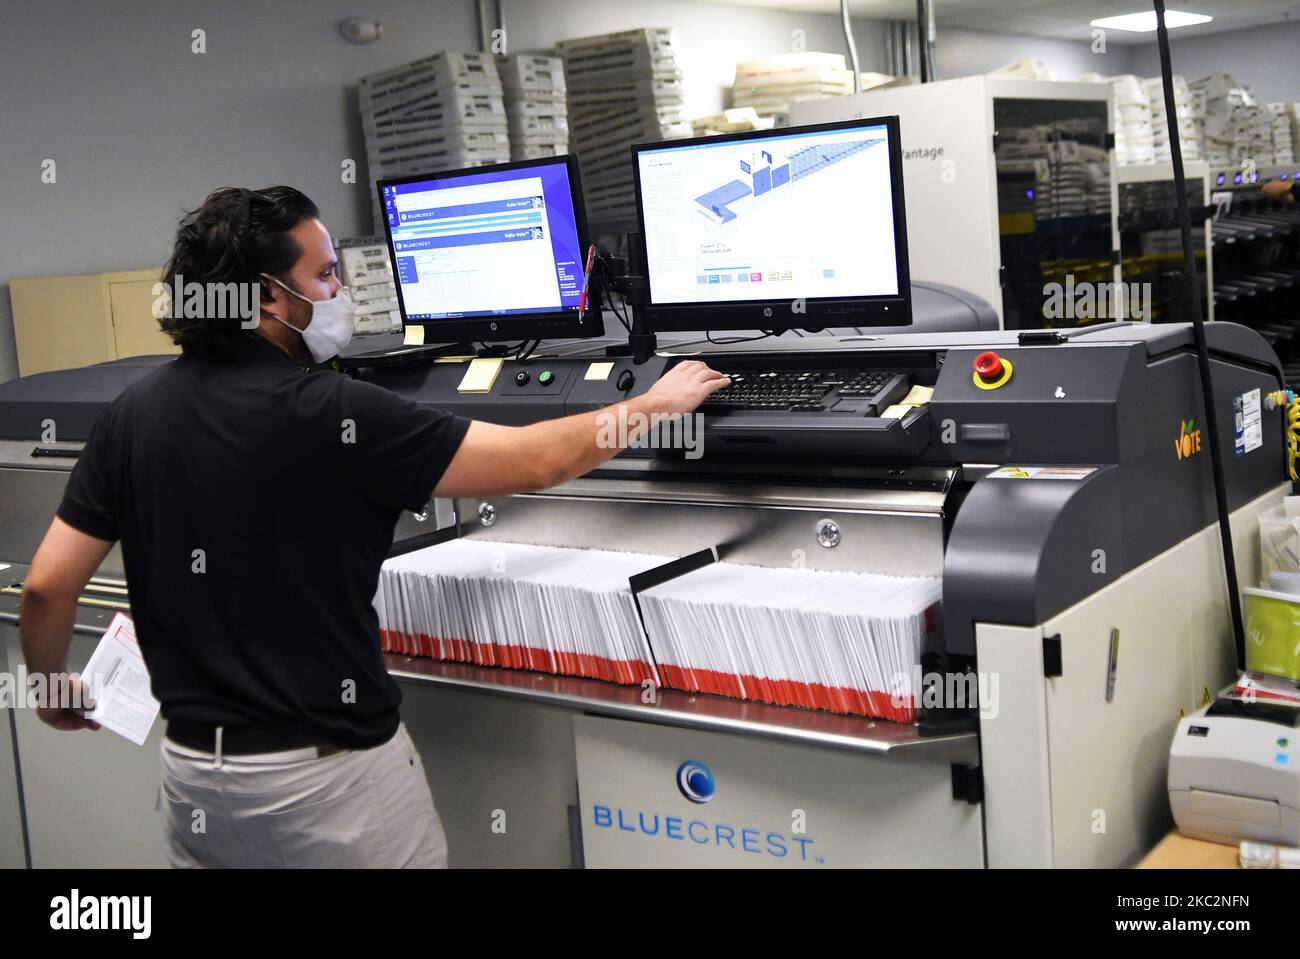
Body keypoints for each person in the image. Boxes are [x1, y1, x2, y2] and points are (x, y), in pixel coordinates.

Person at [19, 185, 729, 868]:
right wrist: (656, 403)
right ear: (269, 294)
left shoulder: (132, 415)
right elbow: (535, 460)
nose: (340, 294)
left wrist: (53, 689)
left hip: (196, 777)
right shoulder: (337, 412)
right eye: (325, 275)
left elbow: (48, 586)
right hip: (327, 782)